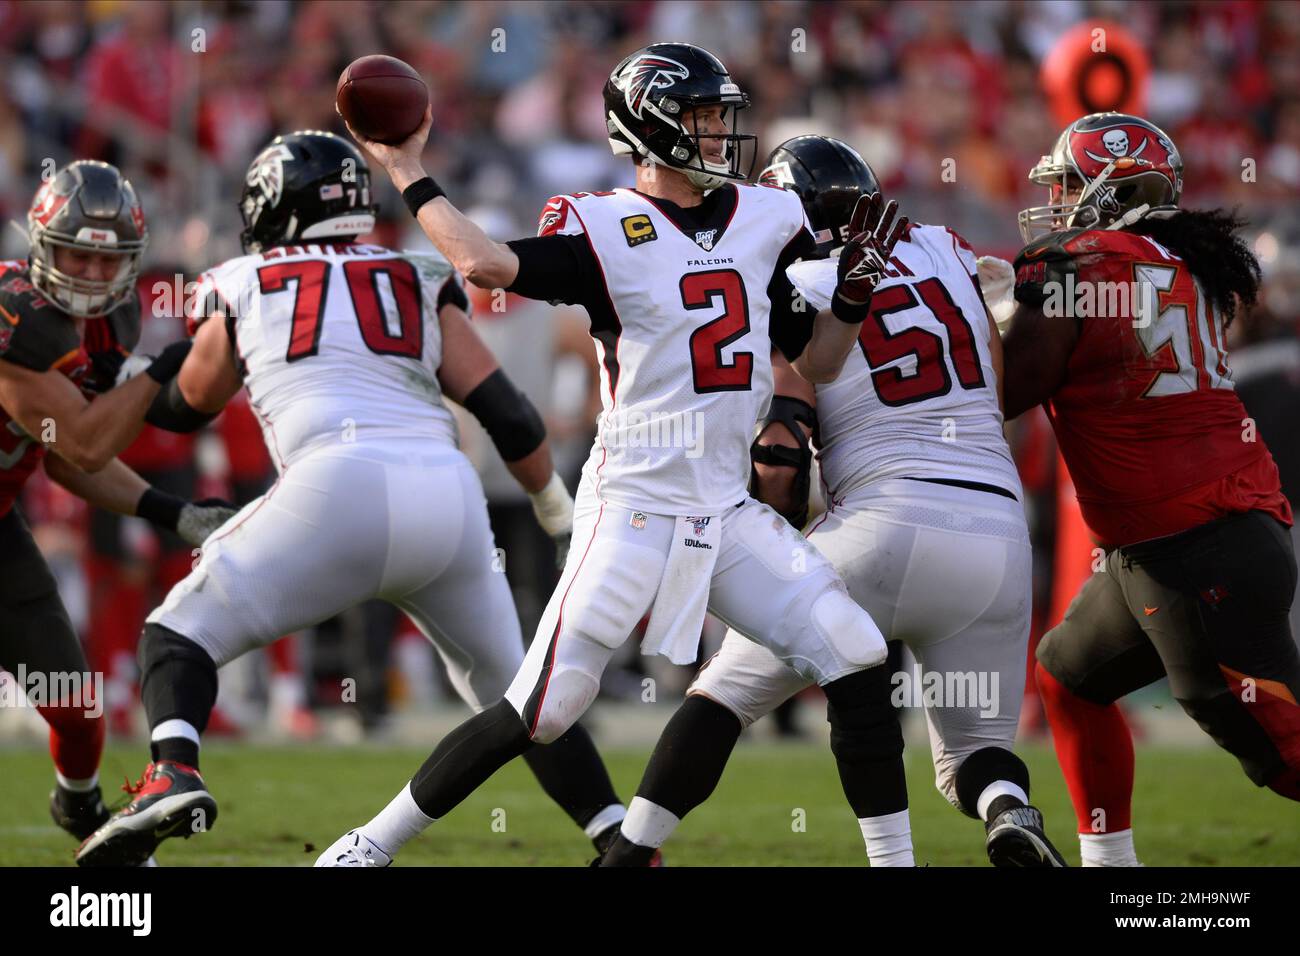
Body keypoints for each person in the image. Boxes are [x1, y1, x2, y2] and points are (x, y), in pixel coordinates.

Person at [319, 42, 913, 868]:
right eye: (703, 118)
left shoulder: (765, 218)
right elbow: (482, 262)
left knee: (853, 651)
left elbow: (814, 363)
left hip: (725, 508)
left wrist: (851, 297)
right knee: (545, 707)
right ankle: (365, 847)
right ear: (650, 125)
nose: (720, 135)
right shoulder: (604, 225)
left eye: (720, 117)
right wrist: (405, 167)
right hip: (632, 501)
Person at [75, 132, 627, 867]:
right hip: (447, 495)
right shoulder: (414, 272)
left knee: (177, 634)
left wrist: (136, 375)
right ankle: (619, 840)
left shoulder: (244, 278)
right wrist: (554, 506)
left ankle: (173, 770)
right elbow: (511, 413)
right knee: (521, 698)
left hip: (331, 486)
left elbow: (190, 405)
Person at [597, 135, 1067, 867]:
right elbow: (999, 390)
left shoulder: (794, 277)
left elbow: (781, 452)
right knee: (974, 755)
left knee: (722, 694)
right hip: (998, 531)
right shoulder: (946, 246)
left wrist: (771, 538)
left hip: (878, 524)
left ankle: (629, 852)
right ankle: (1009, 813)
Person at [1002, 112, 1297, 867]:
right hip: (1180, 541)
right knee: (1068, 676)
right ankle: (1111, 870)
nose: (1059, 203)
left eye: (1069, 185)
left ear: (1113, 185)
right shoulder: (1184, 263)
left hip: (1195, 551)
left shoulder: (1074, 266)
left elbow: (1012, 386)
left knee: (1283, 754)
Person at [0, 160, 232, 852]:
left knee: (76, 705)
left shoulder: (103, 327)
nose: (95, 276)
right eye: (79, 255)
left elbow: (65, 455)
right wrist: (168, 365)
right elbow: (85, 439)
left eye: (110, 261)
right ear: (43, 245)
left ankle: (78, 807)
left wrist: (170, 512)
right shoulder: (20, 319)